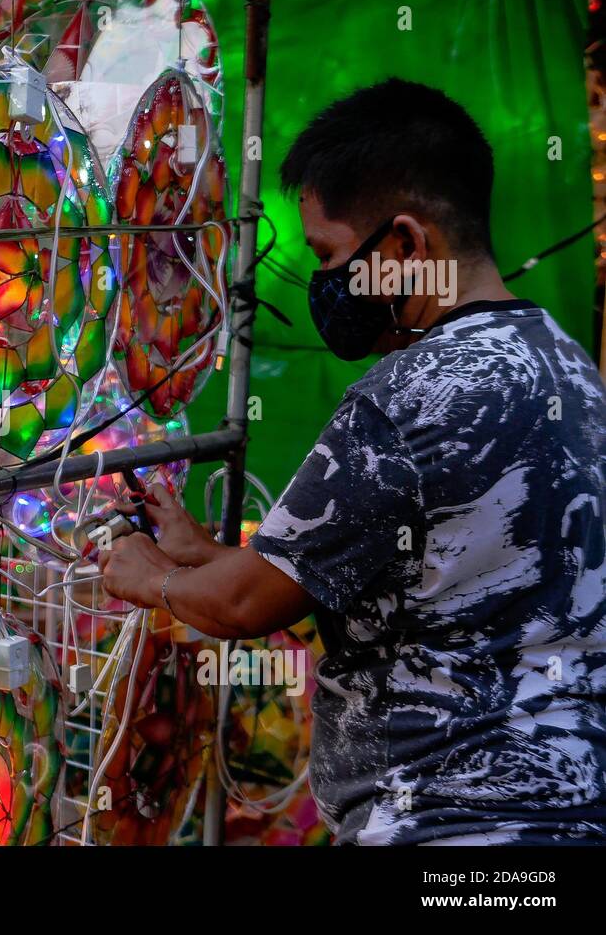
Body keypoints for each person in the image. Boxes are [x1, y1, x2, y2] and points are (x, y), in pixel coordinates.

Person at [99, 78, 606, 845]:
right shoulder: (569, 365)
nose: (327, 285)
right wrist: (209, 555)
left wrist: (151, 579)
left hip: (448, 827)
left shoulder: (406, 395)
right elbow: (438, 580)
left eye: (331, 256)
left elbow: (247, 607)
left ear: (406, 246)